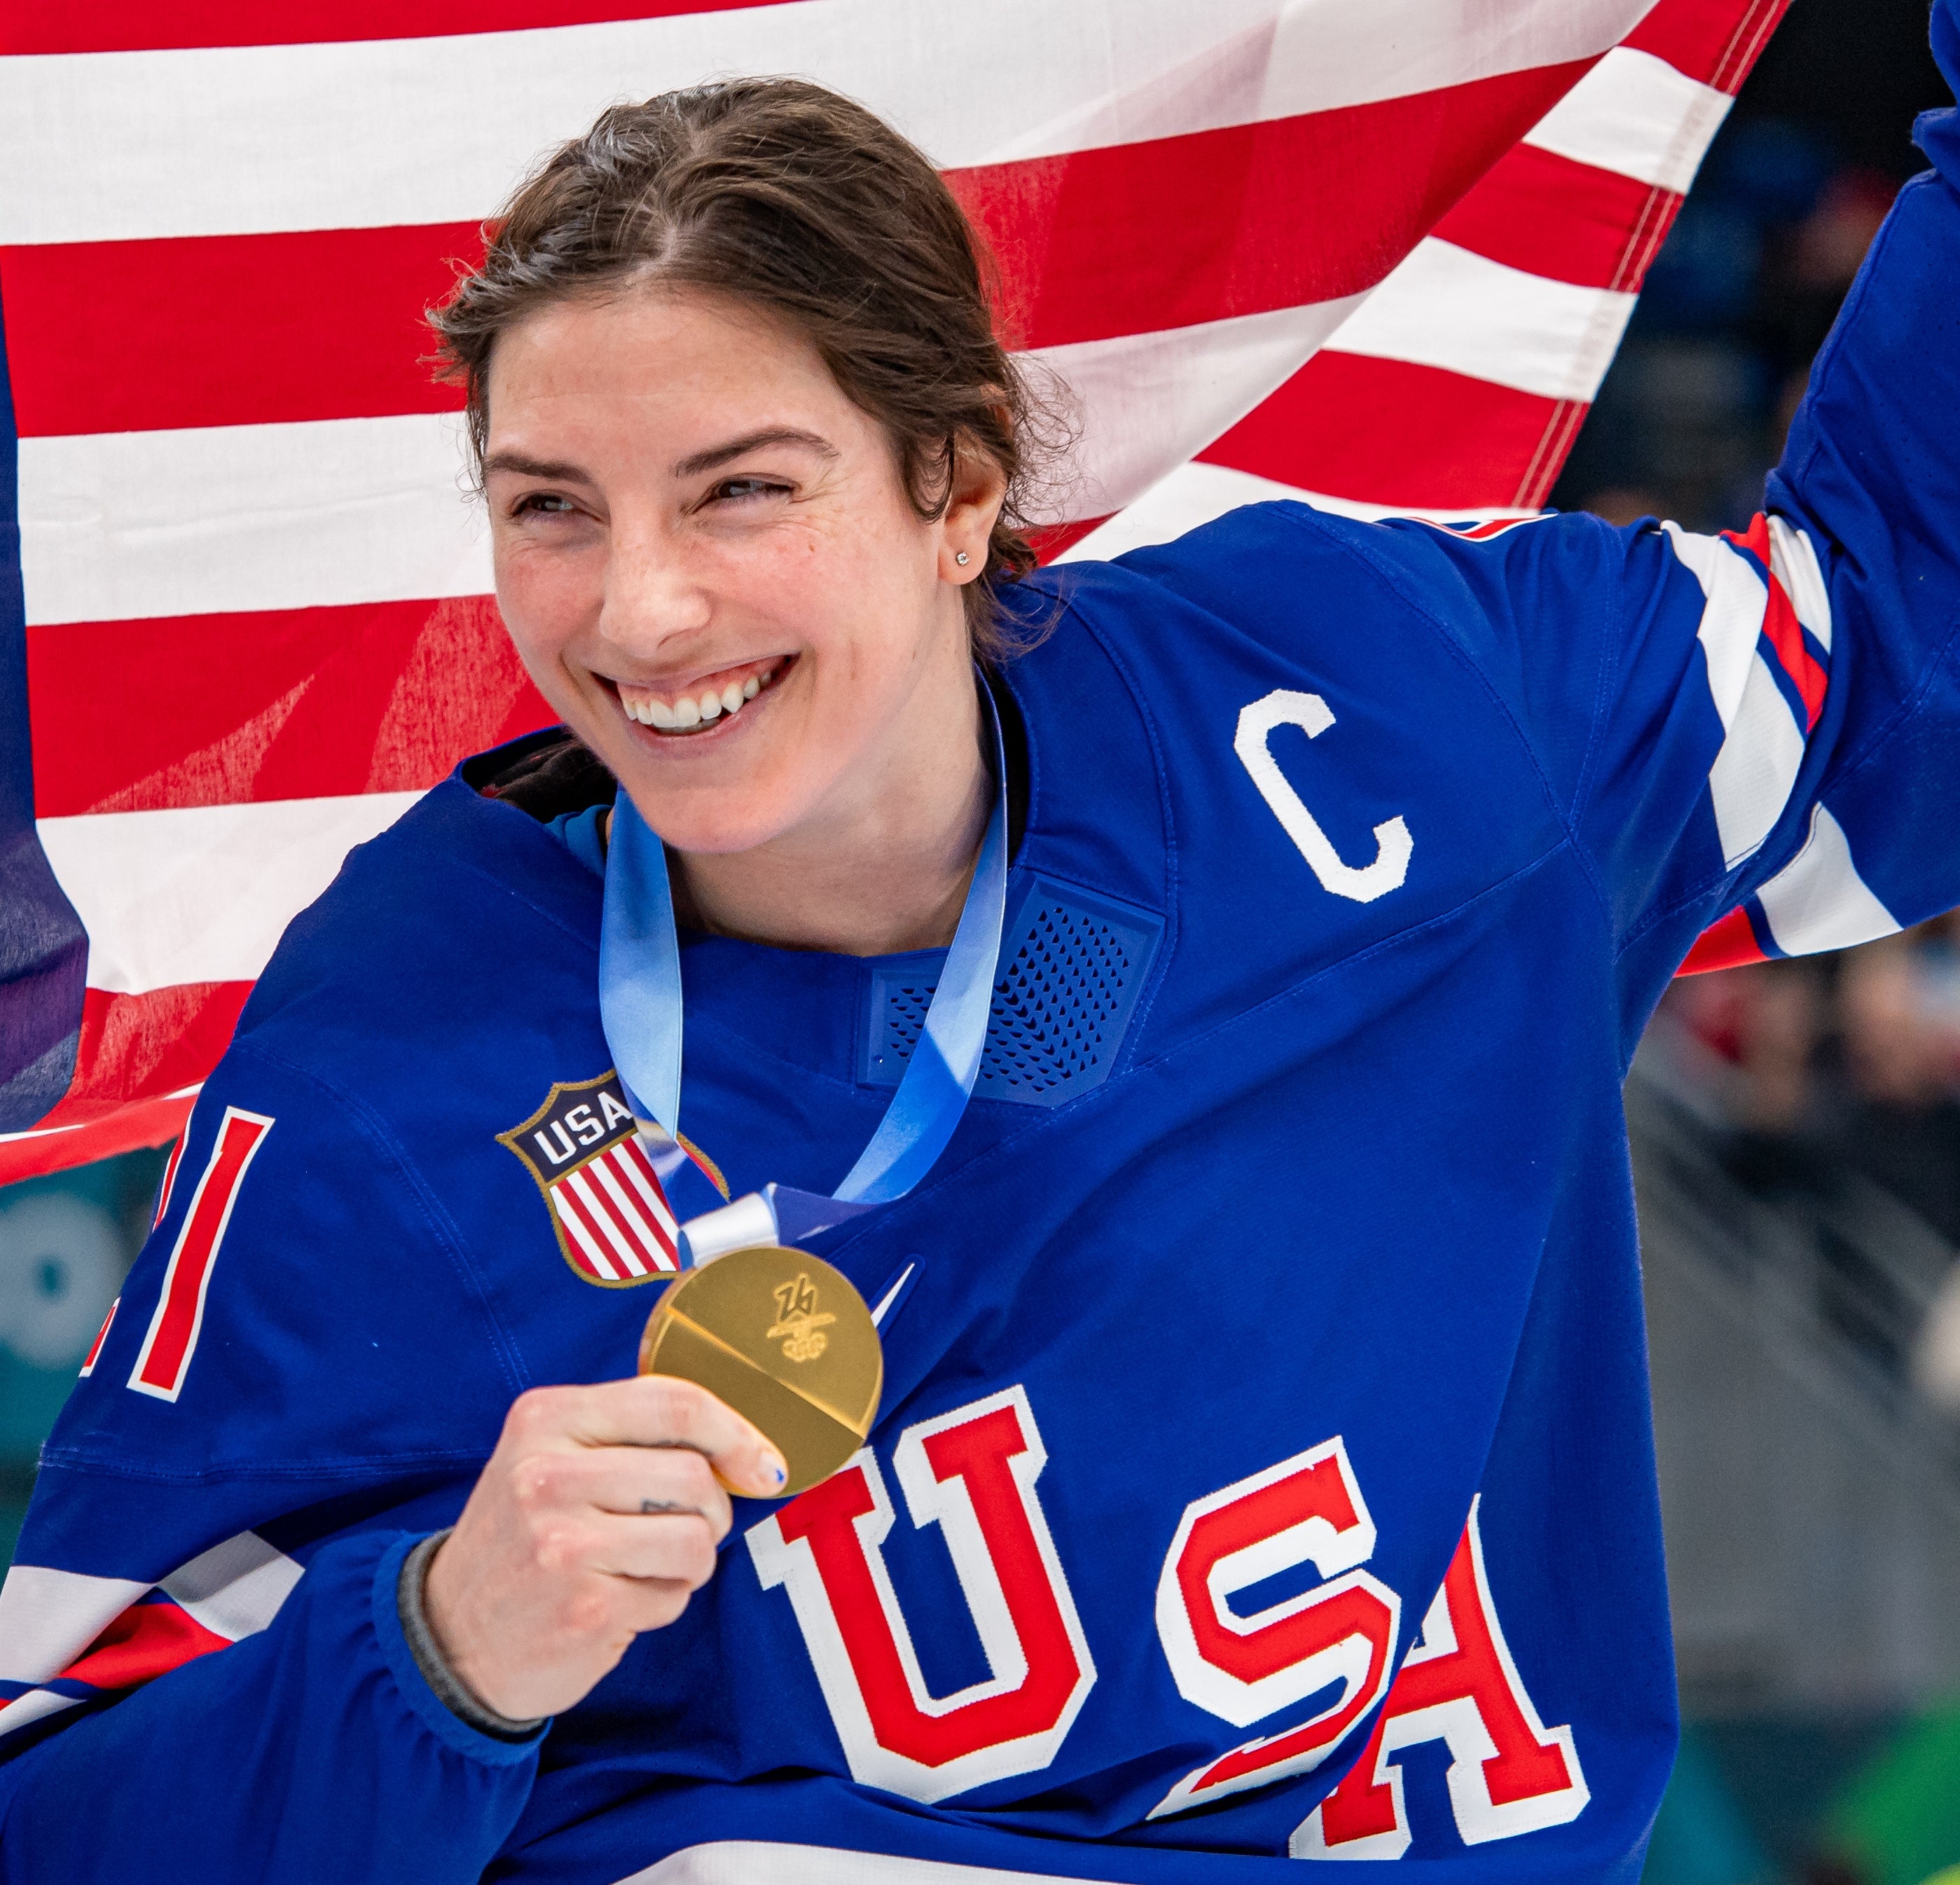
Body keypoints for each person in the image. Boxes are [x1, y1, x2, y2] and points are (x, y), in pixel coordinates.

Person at [2, 12, 1959, 1874]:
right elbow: (61, 1821)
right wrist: (432, 1648)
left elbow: (1891, 663)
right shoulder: (404, 1027)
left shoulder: (1380, 709)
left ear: (957, 485)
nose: (645, 608)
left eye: (742, 490)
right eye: (552, 508)